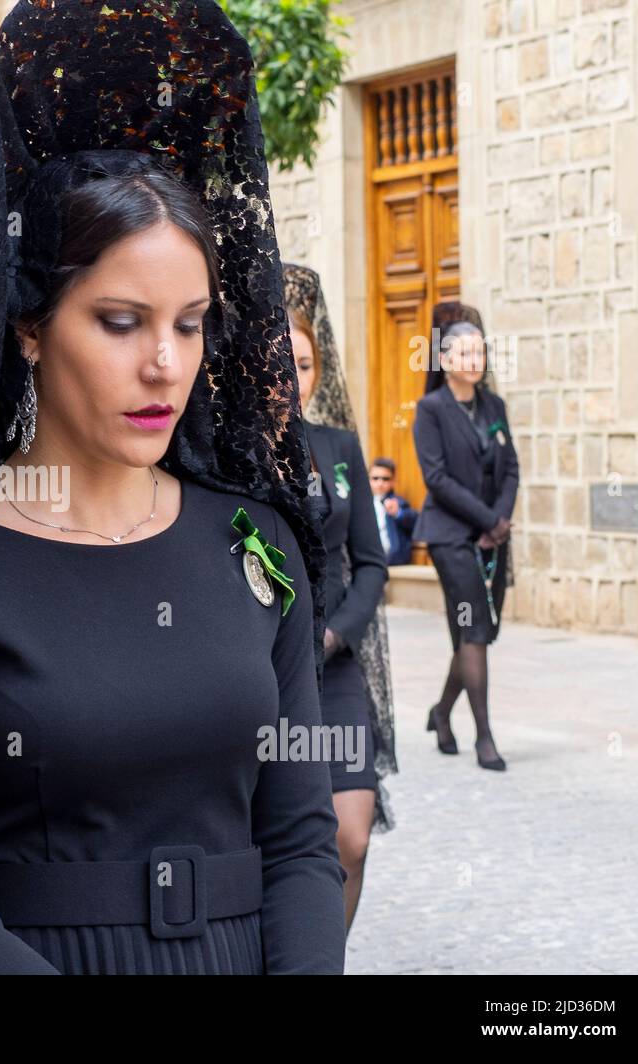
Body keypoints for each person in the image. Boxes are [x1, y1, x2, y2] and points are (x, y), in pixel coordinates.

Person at [0, 1, 344, 975]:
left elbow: (303, 842)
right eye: (118, 320)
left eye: (188, 323)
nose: (163, 363)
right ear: (26, 327)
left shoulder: (253, 545)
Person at [284, 262, 393, 932]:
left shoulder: (341, 449)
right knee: (286, 840)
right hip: (264, 670)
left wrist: (336, 635)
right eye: (278, 363)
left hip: (337, 665)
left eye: (301, 364)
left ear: (316, 370)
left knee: (350, 837)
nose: (291, 378)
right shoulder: (236, 452)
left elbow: (374, 563)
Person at [414, 302, 519, 772]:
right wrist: (485, 520)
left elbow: (511, 467)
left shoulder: (494, 405)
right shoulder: (430, 410)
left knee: (479, 632)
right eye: (463, 353)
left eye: (480, 352)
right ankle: (486, 738)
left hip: (493, 535)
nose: (474, 361)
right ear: (444, 359)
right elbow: (437, 479)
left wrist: (500, 521)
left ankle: (440, 713)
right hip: (450, 536)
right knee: (474, 627)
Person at [369, 457, 418, 566]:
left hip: (393, 560)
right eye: (375, 478)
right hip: (369, 558)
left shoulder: (399, 503)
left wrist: (398, 513)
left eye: (385, 479)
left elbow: (414, 520)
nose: (380, 483)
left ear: (393, 481)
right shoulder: (363, 503)